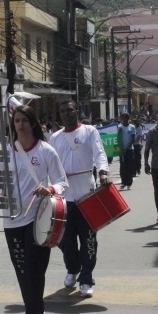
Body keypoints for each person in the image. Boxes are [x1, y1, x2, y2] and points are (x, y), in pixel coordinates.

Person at [3, 105, 67, 314]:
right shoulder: (6, 151)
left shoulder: (46, 150)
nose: (20, 125)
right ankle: (37, 310)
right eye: (16, 120)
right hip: (11, 221)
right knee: (22, 272)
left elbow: (62, 182)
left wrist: (49, 189)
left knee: (34, 270)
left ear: (32, 123)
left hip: (38, 219)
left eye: (24, 120)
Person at [50, 100, 109, 298]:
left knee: (89, 240)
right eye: (63, 111)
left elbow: (100, 153)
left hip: (87, 196)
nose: (66, 113)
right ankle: (73, 268)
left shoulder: (90, 131)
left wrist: (102, 172)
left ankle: (86, 278)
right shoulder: (55, 138)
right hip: (64, 200)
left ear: (77, 111)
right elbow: (49, 165)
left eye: (70, 110)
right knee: (65, 241)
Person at [117, 112, 136, 189]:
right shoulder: (119, 127)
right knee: (122, 166)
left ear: (128, 119)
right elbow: (118, 138)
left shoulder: (132, 127)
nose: (124, 120)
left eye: (126, 118)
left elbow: (133, 139)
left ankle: (129, 182)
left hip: (129, 150)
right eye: (123, 118)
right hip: (121, 150)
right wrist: (121, 148)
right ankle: (123, 182)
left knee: (129, 166)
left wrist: (127, 148)